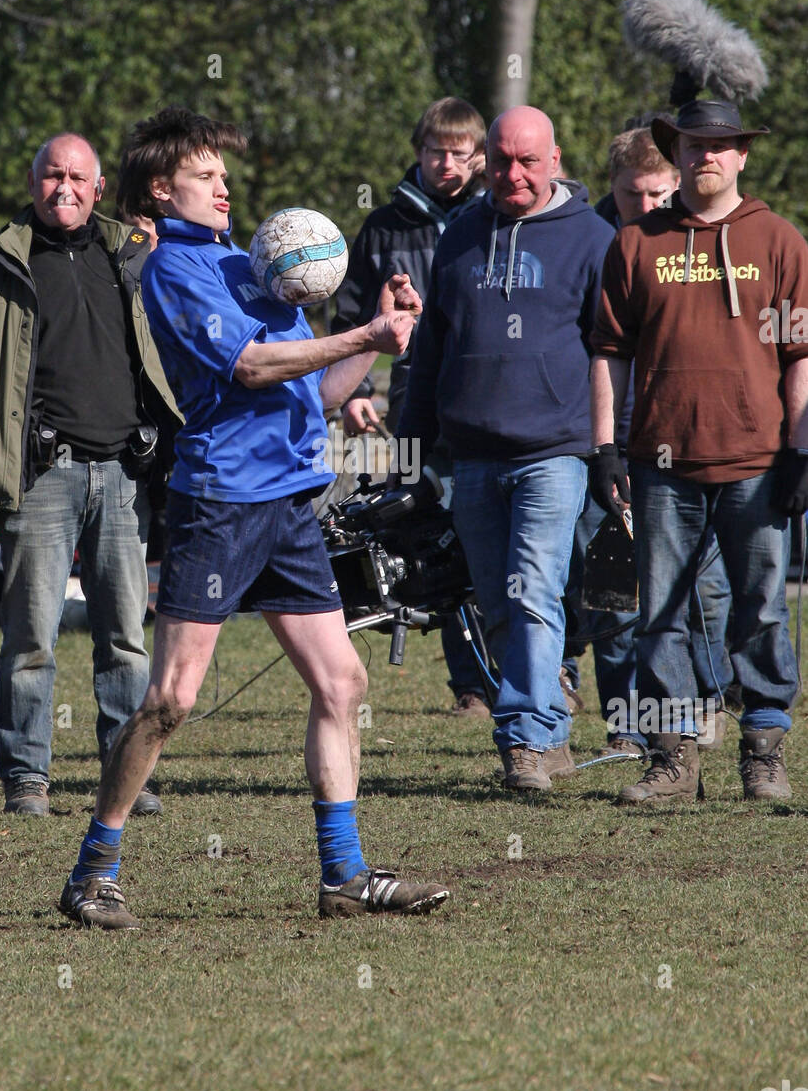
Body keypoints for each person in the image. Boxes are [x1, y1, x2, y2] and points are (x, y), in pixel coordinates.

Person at [57, 105, 449, 929]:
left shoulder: (251, 268)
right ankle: (94, 871)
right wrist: (358, 333)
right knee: (169, 700)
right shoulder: (171, 273)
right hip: (221, 505)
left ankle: (344, 876)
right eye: (206, 176)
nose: (224, 188)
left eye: (225, 177)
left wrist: (381, 337)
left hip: (290, 507)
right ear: (162, 191)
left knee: (343, 680)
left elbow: (316, 390)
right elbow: (251, 365)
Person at [0, 133, 181, 816]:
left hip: (125, 475)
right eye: (49, 175)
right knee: (30, 638)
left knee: (125, 637)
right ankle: (27, 780)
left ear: (98, 188)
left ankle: (127, 773)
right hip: (40, 480)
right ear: (32, 184)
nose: (62, 187)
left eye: (76, 176)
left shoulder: (133, 257)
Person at [590, 97, 807, 803]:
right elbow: (608, 355)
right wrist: (605, 449)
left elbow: (801, 353)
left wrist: (800, 449)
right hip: (661, 465)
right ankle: (671, 759)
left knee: (761, 607)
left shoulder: (778, 241)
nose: (703, 155)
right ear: (674, 152)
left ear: (742, 154)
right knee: (658, 612)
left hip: (757, 461)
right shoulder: (635, 243)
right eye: (689, 144)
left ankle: (763, 749)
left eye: (719, 145)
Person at [396, 105, 616, 791]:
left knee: (531, 592)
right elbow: (430, 347)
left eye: (527, 161)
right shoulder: (460, 233)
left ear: (554, 161)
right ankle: (544, 733)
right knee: (494, 601)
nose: (512, 174)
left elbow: (611, 353)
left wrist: (613, 448)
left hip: (553, 450)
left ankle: (523, 737)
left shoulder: (592, 239)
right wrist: (409, 442)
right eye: (500, 161)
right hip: (470, 455)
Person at [566, 124, 733, 756]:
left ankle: (701, 716)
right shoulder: (595, 247)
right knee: (612, 599)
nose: (649, 207)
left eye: (661, 193)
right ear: (613, 188)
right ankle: (627, 727)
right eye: (635, 195)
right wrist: (601, 446)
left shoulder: (706, 243)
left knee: (699, 595)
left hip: (685, 442)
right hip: (606, 445)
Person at [331, 97, 490, 717]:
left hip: (484, 393)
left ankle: (542, 667)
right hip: (410, 398)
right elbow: (351, 318)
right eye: (434, 152)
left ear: (478, 157)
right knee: (435, 530)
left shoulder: (495, 220)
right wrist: (356, 393)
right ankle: (470, 686)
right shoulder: (384, 227)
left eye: (458, 153)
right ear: (418, 153)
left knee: (493, 527)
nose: (445, 164)